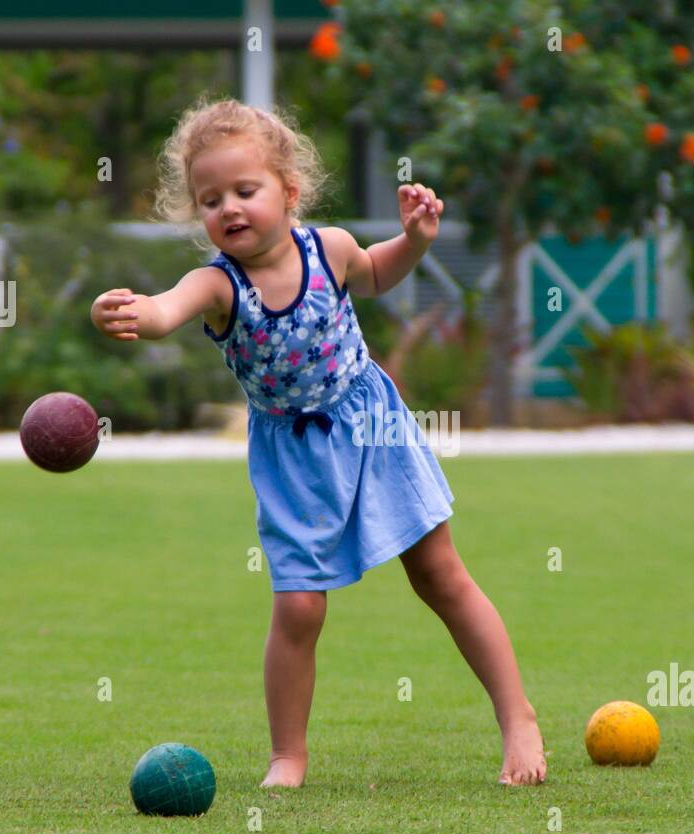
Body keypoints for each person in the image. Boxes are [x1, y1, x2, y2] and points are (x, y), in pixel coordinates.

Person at [91, 96, 546, 787]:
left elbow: (378, 271)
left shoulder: (329, 249)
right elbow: (165, 311)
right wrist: (130, 312)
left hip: (374, 424)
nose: (230, 208)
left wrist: (416, 240)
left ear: (289, 190)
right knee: (299, 604)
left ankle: (518, 717)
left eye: (247, 190)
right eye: (211, 199)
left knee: (440, 574)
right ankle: (288, 754)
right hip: (293, 453)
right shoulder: (217, 283)